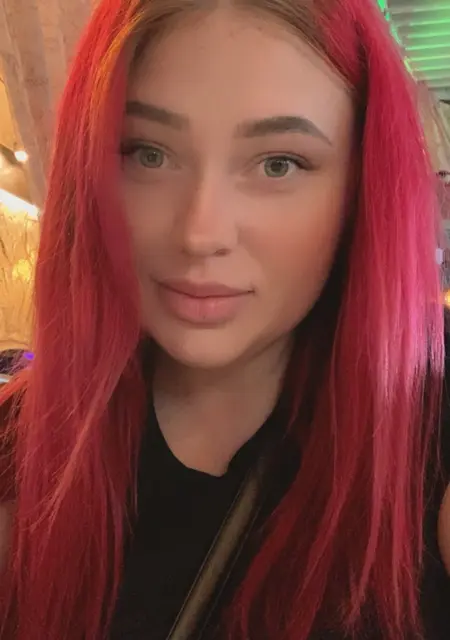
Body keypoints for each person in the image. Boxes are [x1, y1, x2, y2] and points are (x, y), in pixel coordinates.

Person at [0, 0, 449, 638]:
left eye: (278, 163)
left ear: (359, 189)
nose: (200, 233)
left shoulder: (430, 445)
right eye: (148, 154)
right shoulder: (19, 449)